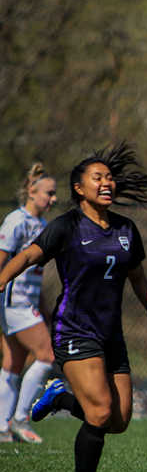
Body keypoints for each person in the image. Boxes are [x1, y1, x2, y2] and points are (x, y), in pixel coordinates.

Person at [1, 143, 147, 472]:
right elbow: (29, 255)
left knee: (119, 420)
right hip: (74, 330)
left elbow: (138, 278)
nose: (106, 183)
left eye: (109, 177)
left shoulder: (126, 229)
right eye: (97, 178)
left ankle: (60, 398)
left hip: (112, 334)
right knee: (99, 411)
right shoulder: (67, 226)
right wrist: (2, 278)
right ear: (79, 188)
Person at [0, 164, 57, 444]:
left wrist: (43, 303)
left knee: (13, 364)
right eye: (49, 193)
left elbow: (35, 271)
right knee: (47, 355)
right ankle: (20, 419)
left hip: (27, 302)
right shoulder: (16, 221)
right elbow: (2, 259)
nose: (53, 199)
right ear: (31, 192)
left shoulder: (42, 225)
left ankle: (2, 428)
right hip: (14, 302)